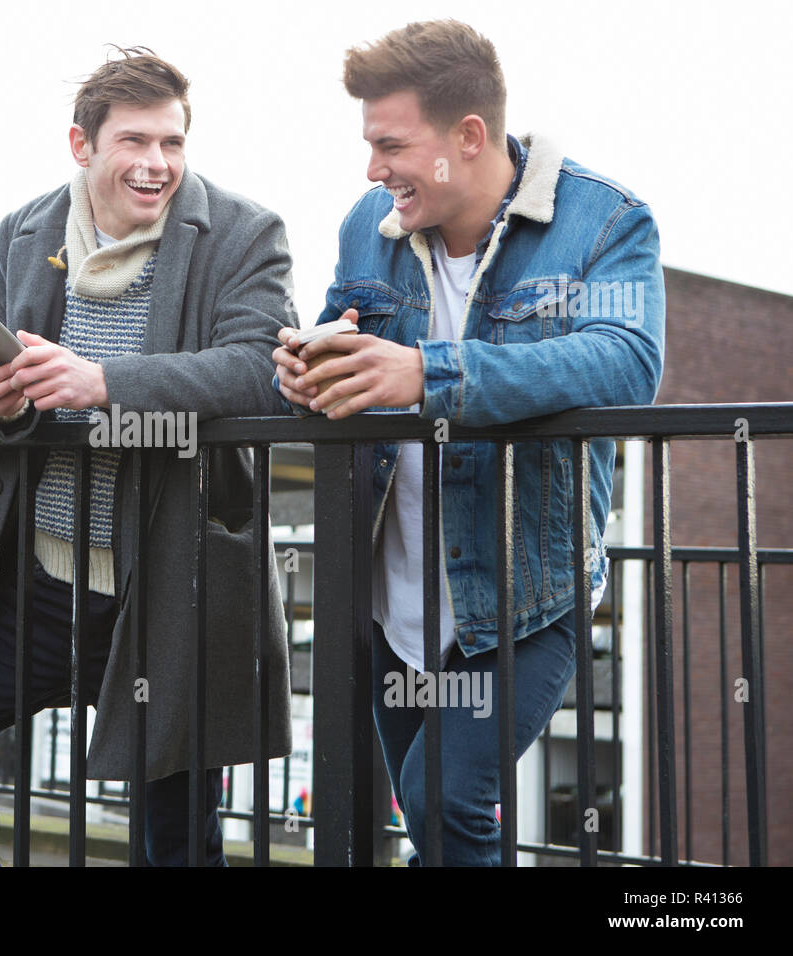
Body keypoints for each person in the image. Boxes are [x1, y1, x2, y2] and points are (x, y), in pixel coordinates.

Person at [0, 46, 295, 866]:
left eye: (171, 142)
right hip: (27, 586)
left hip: (165, 592)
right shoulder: (24, 230)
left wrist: (103, 381)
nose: (156, 164)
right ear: (81, 145)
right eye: (134, 141)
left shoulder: (243, 232)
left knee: (176, 842)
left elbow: (261, 368)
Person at [274, 20, 665, 865]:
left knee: (443, 799)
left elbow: (629, 363)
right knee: (433, 827)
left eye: (389, 144)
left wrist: (432, 373)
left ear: (469, 137)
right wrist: (306, 369)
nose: (373, 169)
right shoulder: (365, 224)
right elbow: (351, 332)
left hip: (528, 601)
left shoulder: (607, 222)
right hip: (393, 604)